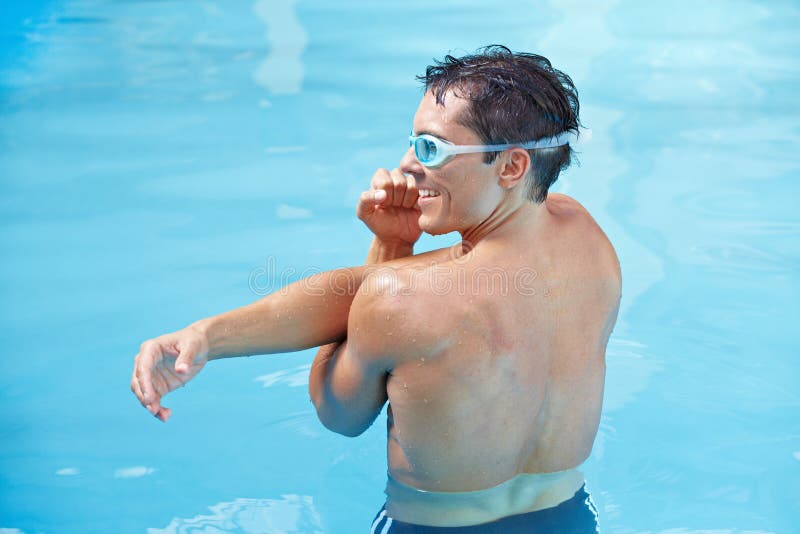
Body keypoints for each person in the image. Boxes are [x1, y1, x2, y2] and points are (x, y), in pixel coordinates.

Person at [131, 45, 621, 532]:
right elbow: (380, 290)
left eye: (432, 148)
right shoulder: (585, 236)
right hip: (568, 517)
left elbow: (337, 413)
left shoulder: (400, 299)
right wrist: (208, 335)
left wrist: (390, 244)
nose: (407, 164)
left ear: (511, 167)